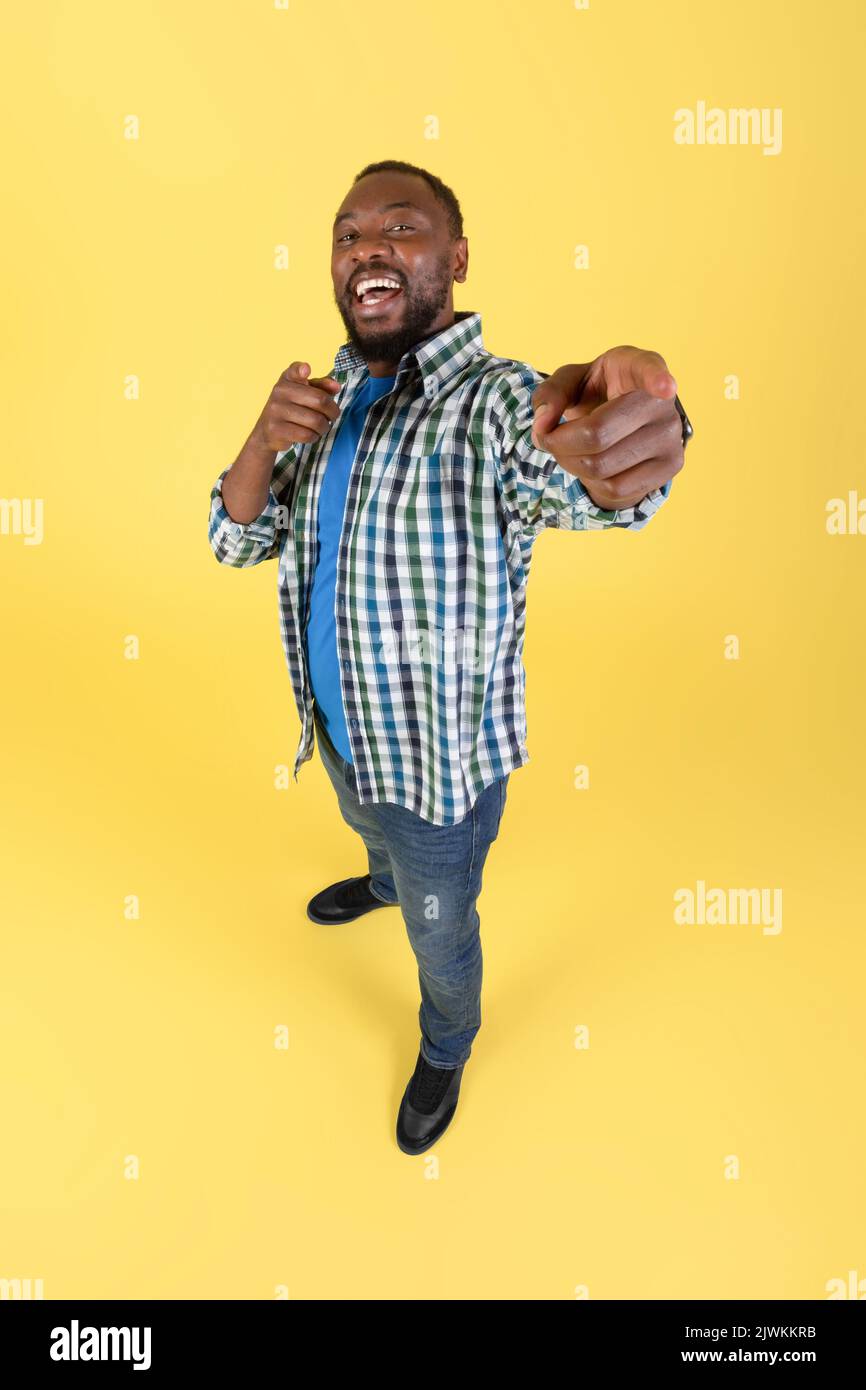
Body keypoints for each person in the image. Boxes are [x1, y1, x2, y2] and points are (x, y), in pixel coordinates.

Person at [208, 159, 691, 1155]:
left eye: (399, 228)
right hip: (337, 735)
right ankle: (377, 876)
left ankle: (447, 1040)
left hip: (436, 780)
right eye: (347, 235)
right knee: (357, 822)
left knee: (440, 932)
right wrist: (260, 441)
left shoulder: (491, 404)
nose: (366, 248)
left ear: (456, 259)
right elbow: (237, 539)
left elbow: (588, 468)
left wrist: (634, 426)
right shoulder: (323, 399)